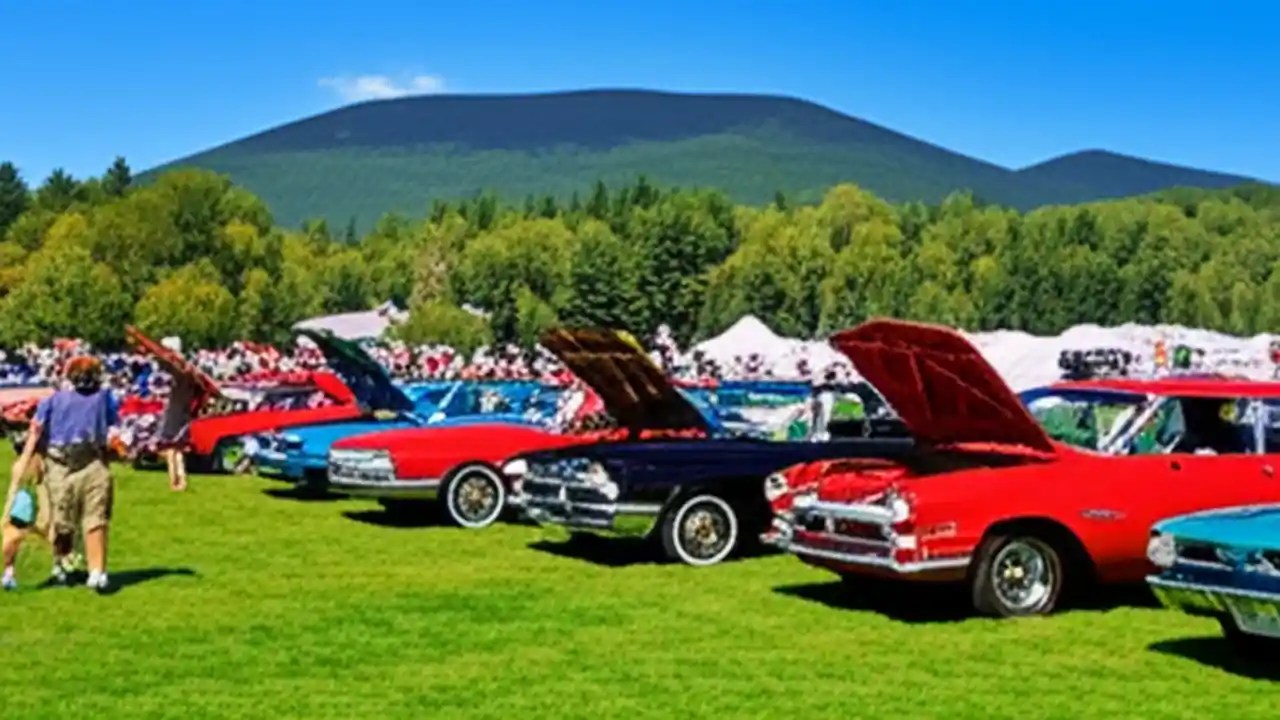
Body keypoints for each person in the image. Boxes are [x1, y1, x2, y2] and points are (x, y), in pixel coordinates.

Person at [12, 356, 119, 592]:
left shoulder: (104, 398)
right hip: (60, 463)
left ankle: (97, 572)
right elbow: (35, 431)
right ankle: (61, 564)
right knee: (62, 523)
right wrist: (25, 460)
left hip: (92, 461)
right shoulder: (53, 401)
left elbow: (110, 420)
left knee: (96, 518)